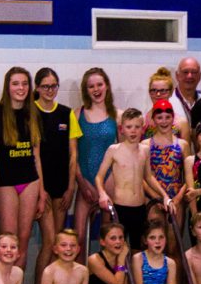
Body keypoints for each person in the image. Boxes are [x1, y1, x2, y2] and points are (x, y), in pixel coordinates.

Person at [0, 66, 45, 256]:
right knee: (8, 241)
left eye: (25, 84)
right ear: (8, 87)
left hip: (30, 181)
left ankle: (18, 278)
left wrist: (42, 191)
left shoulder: (33, 113)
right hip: (5, 183)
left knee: (23, 240)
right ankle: (4, 277)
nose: (21, 88)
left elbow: (36, 155)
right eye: (16, 84)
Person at [34, 67, 81, 284]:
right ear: (37, 88)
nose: (50, 90)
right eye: (45, 86)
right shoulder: (31, 113)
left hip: (61, 185)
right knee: (50, 241)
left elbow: (73, 154)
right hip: (40, 186)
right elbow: (34, 155)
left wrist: (71, 187)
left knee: (58, 244)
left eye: (53, 86)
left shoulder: (66, 113)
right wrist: (40, 190)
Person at [73, 67, 119, 246]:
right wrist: (82, 182)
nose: (96, 89)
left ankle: (105, 265)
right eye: (91, 86)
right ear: (86, 90)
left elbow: (123, 152)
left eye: (100, 84)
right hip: (85, 180)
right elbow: (73, 154)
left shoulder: (117, 115)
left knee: (108, 237)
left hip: (109, 180)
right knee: (78, 238)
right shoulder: (77, 115)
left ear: (107, 86)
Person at [95, 107, 151, 249]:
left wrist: (164, 196)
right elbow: (99, 177)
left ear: (142, 129)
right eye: (129, 127)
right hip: (121, 208)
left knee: (138, 250)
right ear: (121, 129)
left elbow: (149, 177)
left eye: (137, 127)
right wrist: (102, 194)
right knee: (119, 250)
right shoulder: (114, 150)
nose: (133, 131)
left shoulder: (145, 150)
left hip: (140, 207)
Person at [143, 100, 189, 237]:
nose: (164, 121)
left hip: (176, 200)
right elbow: (142, 178)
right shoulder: (145, 145)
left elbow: (189, 178)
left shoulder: (182, 145)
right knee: (155, 243)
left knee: (175, 244)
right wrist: (158, 198)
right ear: (153, 120)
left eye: (167, 117)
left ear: (173, 118)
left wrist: (177, 199)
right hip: (153, 200)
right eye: (159, 118)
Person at [147, 68, 193, 148]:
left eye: (163, 91)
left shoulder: (181, 123)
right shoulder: (143, 122)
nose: (158, 94)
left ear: (171, 92)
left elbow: (186, 152)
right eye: (154, 90)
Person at [173, 56, 201, 121]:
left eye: (194, 72)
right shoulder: (168, 101)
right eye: (185, 72)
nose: (189, 76)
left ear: (200, 76)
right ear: (177, 75)